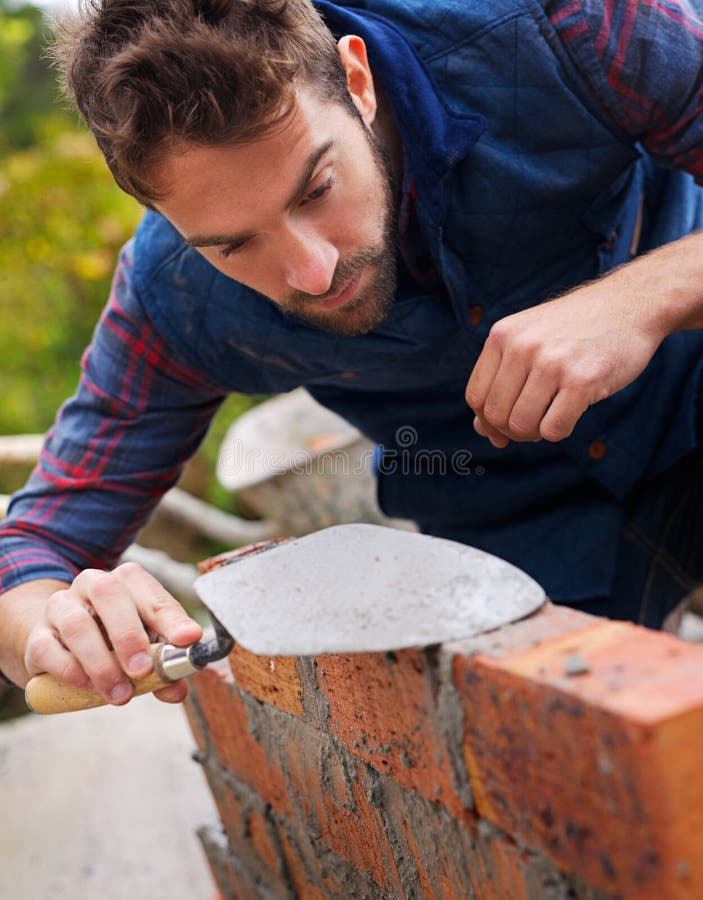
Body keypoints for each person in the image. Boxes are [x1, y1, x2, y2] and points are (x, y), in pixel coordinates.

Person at [1, 0, 702, 705]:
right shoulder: (174, 296)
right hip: (510, 542)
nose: (312, 272)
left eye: (316, 189)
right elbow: (32, 549)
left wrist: (640, 299)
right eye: (234, 244)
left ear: (356, 80)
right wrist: (52, 626)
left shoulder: (564, 28)